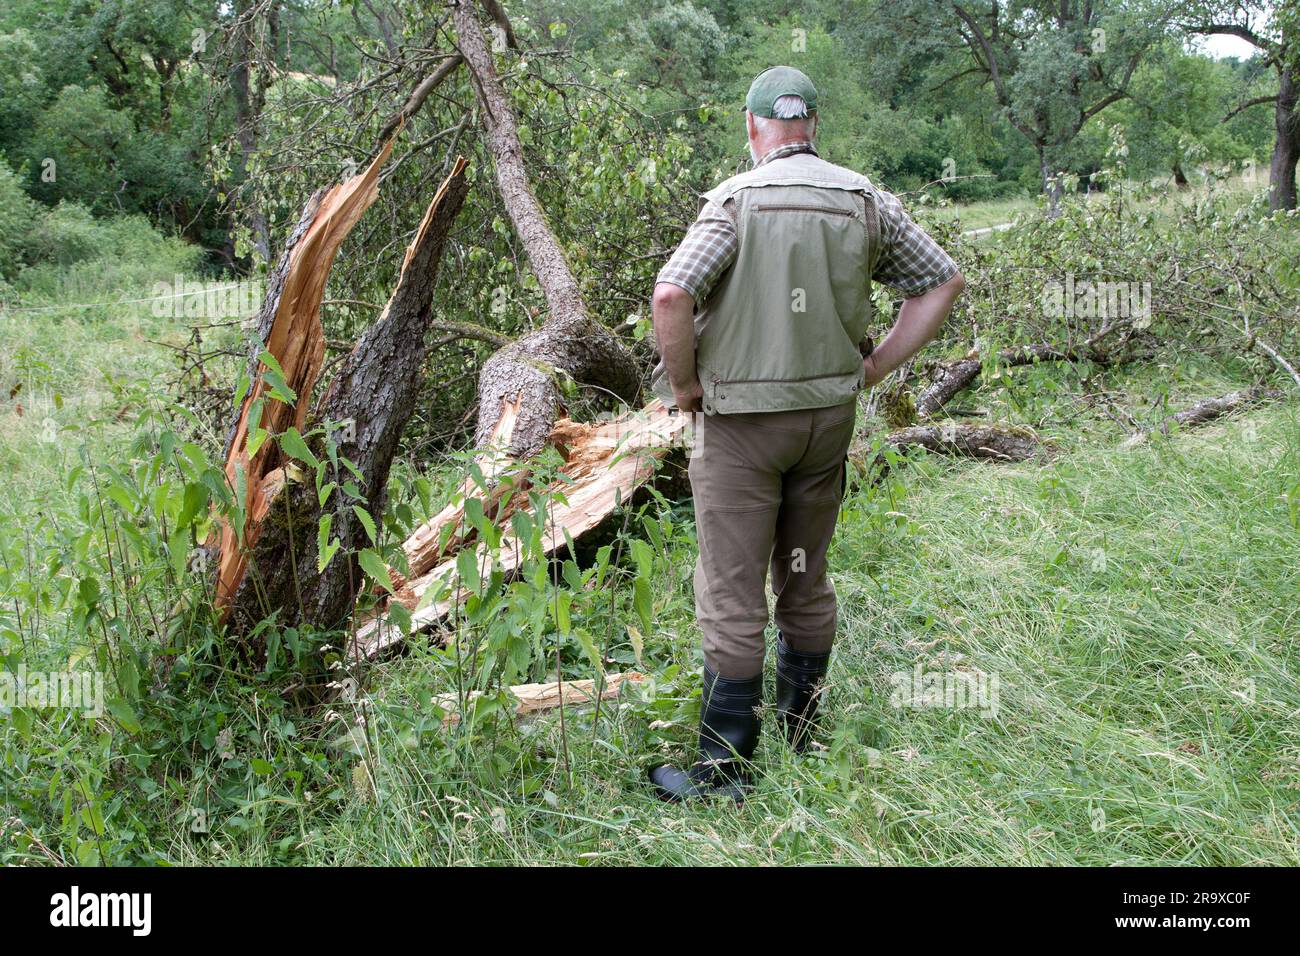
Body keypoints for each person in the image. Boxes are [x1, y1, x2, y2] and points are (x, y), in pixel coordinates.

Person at [648, 66, 966, 801]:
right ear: (813, 125)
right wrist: (877, 366)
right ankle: (800, 730)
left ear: (752, 128)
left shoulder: (734, 201)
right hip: (827, 422)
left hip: (737, 428)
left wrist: (687, 387)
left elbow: (672, 293)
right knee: (803, 573)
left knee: (731, 588)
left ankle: (726, 771)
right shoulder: (864, 199)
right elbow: (942, 280)